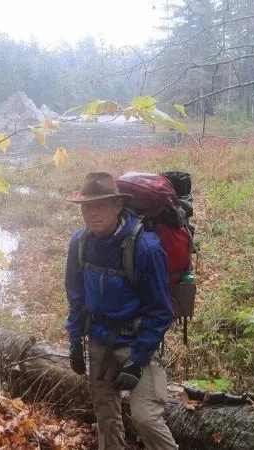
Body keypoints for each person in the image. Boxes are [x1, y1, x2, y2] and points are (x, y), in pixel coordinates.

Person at [65, 172, 178, 450]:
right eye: (87, 207)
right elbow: (76, 298)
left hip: (138, 343)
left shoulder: (145, 247)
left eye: (101, 205)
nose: (93, 213)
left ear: (117, 206)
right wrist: (75, 343)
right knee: (106, 417)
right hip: (99, 343)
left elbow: (162, 311)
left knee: (146, 418)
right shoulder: (79, 243)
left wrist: (137, 361)